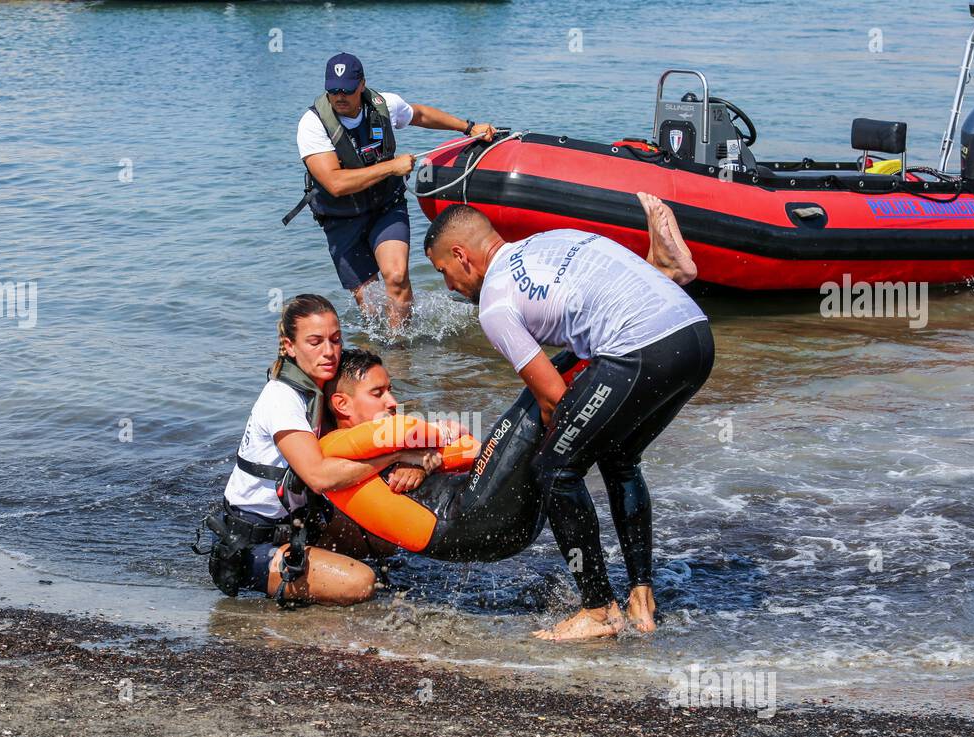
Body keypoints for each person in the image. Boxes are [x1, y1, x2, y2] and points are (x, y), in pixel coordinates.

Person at [422, 194, 714, 642]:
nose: (448, 286)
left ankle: (598, 610)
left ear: (461, 256)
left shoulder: (495, 305)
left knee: (555, 469)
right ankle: (641, 596)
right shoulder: (552, 241)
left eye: (444, 271)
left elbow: (555, 399)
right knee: (620, 457)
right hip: (694, 337)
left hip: (641, 350)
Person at [198, 294, 440, 606]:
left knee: (386, 543)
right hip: (250, 542)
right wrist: (396, 457)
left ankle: (315, 567)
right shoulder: (282, 398)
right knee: (360, 583)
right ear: (289, 346)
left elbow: (390, 430)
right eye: (315, 341)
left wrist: (420, 460)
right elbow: (319, 478)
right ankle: (265, 576)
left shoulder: (322, 391)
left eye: (336, 340)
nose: (329, 352)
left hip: (302, 525)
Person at [288, 52, 496, 326]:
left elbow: (419, 114)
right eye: (333, 90)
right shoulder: (313, 124)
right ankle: (380, 351)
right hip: (341, 218)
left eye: (347, 90)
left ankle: (400, 352)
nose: (340, 96)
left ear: (361, 84)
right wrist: (391, 167)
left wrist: (468, 128)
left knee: (396, 277)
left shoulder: (383, 105)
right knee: (371, 306)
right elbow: (335, 184)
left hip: (386, 206)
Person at [320, 346, 582, 563]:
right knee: (536, 398)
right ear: (342, 404)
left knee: (558, 450)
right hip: (468, 519)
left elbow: (471, 447)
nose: (392, 402)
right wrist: (439, 432)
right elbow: (406, 429)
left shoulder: (377, 448)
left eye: (390, 390)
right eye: (377, 393)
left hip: (491, 526)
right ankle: (595, 349)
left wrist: (426, 462)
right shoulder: (332, 446)